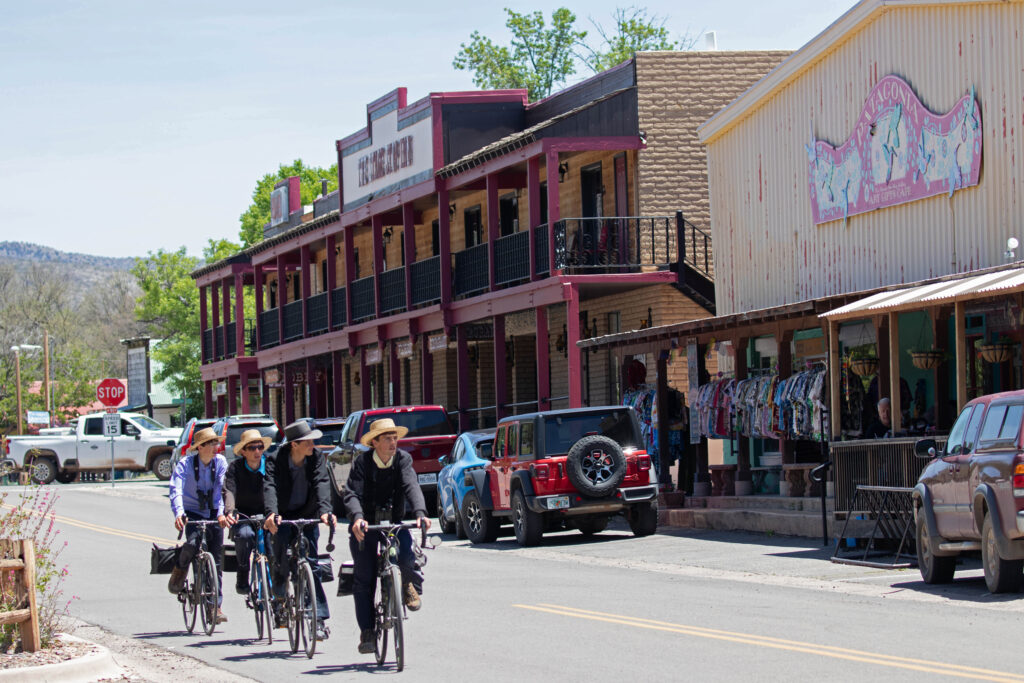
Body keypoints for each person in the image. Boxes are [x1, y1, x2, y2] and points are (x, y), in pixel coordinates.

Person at [343, 418, 431, 655]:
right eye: (387, 439)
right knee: (364, 577)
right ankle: (367, 632)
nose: (393, 443)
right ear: (374, 442)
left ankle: (407, 585)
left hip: (394, 522)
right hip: (367, 525)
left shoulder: (403, 459)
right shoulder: (362, 463)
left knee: (406, 553)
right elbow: (352, 494)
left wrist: (420, 513)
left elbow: (411, 485)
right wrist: (357, 518)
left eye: (395, 438)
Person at [263, 420, 335, 641]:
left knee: (312, 565)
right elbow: (270, 486)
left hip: (307, 514)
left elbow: (322, 482)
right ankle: (280, 599)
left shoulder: (316, 458)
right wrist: (272, 513)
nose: (313, 445)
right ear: (294, 444)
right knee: (281, 561)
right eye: (308, 441)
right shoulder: (275, 459)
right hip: (284, 516)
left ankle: (318, 619)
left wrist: (325, 511)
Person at [168, 426, 229, 623]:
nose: (215, 447)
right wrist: (179, 513)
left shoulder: (220, 462)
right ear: (200, 447)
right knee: (194, 544)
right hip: (192, 511)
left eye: (216, 443)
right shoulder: (185, 464)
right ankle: (180, 567)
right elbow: (176, 489)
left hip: (213, 511)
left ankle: (215, 606)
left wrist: (220, 514)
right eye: (211, 444)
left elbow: (221, 490)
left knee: (216, 560)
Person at [222, 429, 270, 595]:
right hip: (243, 515)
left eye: (260, 447)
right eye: (252, 448)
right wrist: (230, 511)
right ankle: (243, 571)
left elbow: (277, 490)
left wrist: (276, 512)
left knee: (277, 541)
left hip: (267, 514)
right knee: (245, 536)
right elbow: (229, 490)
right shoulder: (235, 468)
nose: (257, 451)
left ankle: (279, 582)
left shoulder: (270, 466)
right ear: (243, 451)